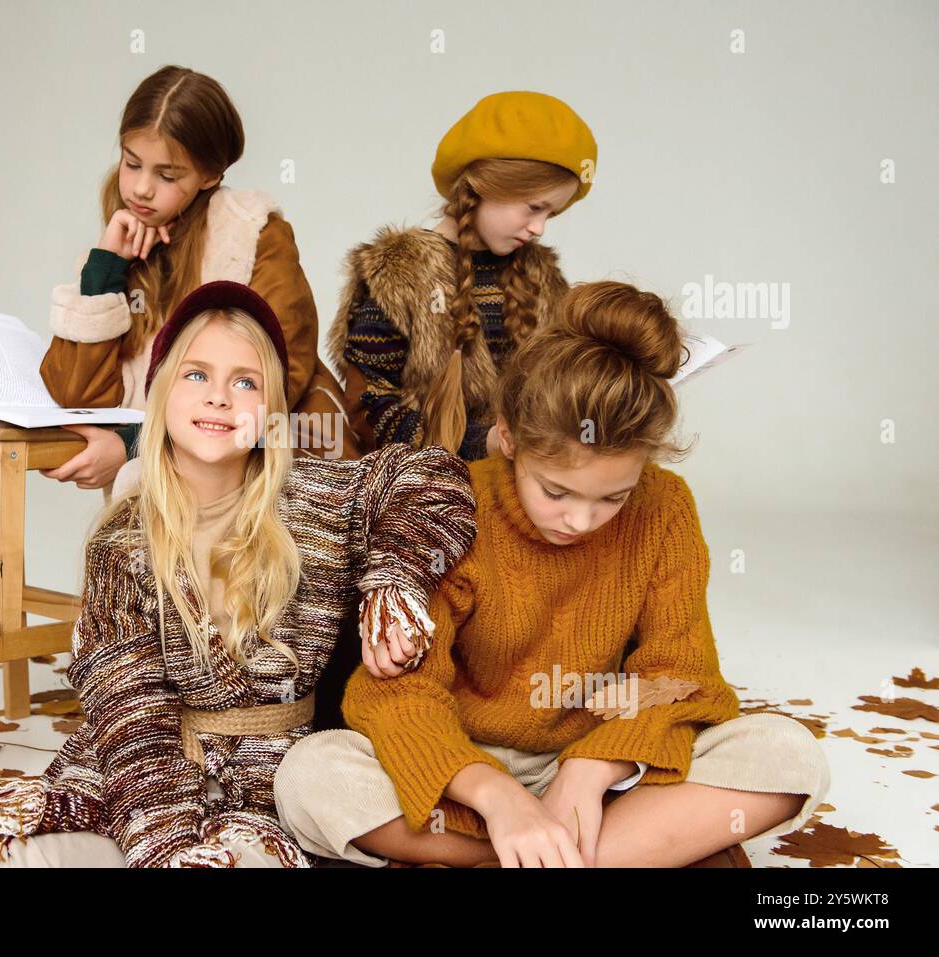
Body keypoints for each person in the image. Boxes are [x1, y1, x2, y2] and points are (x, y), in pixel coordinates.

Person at [0, 282, 475, 869]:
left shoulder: (316, 495)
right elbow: (132, 723)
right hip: (131, 777)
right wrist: (169, 849)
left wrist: (392, 579)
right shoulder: (122, 546)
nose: (219, 397)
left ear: (270, 403)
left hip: (264, 796)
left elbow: (436, 477)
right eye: (197, 374)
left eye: (245, 380)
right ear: (162, 392)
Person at [275, 280, 832, 867]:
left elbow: (679, 673)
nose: (581, 521)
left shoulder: (665, 508)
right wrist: (497, 796)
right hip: (462, 768)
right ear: (510, 440)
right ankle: (573, 855)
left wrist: (590, 770)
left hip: (604, 764)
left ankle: (532, 856)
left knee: (788, 755)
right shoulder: (451, 502)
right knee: (311, 777)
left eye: (612, 498)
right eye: (556, 491)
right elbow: (400, 691)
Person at [39, 65, 360, 502]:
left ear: (209, 176)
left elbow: (274, 383)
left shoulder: (254, 234)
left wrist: (133, 444)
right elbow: (76, 395)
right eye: (131, 164)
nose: (142, 189)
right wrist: (105, 267)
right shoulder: (115, 254)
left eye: (168, 175)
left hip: (274, 483)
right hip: (170, 496)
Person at [327, 90, 594, 460]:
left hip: (535, 482)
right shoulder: (400, 272)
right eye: (534, 208)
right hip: (431, 489)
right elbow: (368, 404)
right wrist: (474, 443)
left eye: (551, 214)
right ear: (485, 185)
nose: (539, 228)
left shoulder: (541, 276)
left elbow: (566, 381)